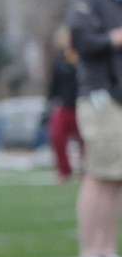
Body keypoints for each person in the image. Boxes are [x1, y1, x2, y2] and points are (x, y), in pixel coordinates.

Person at [65, 0, 122, 257]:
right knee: (99, 174)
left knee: (116, 176)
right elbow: (81, 41)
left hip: (117, 96)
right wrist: (114, 39)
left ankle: (106, 251)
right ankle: (89, 255)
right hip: (100, 96)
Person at [47, 26, 83, 184]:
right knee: (57, 136)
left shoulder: (83, 59)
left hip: (81, 105)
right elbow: (53, 86)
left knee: (86, 140)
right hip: (64, 105)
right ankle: (64, 170)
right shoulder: (58, 62)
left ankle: (85, 170)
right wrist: (48, 103)